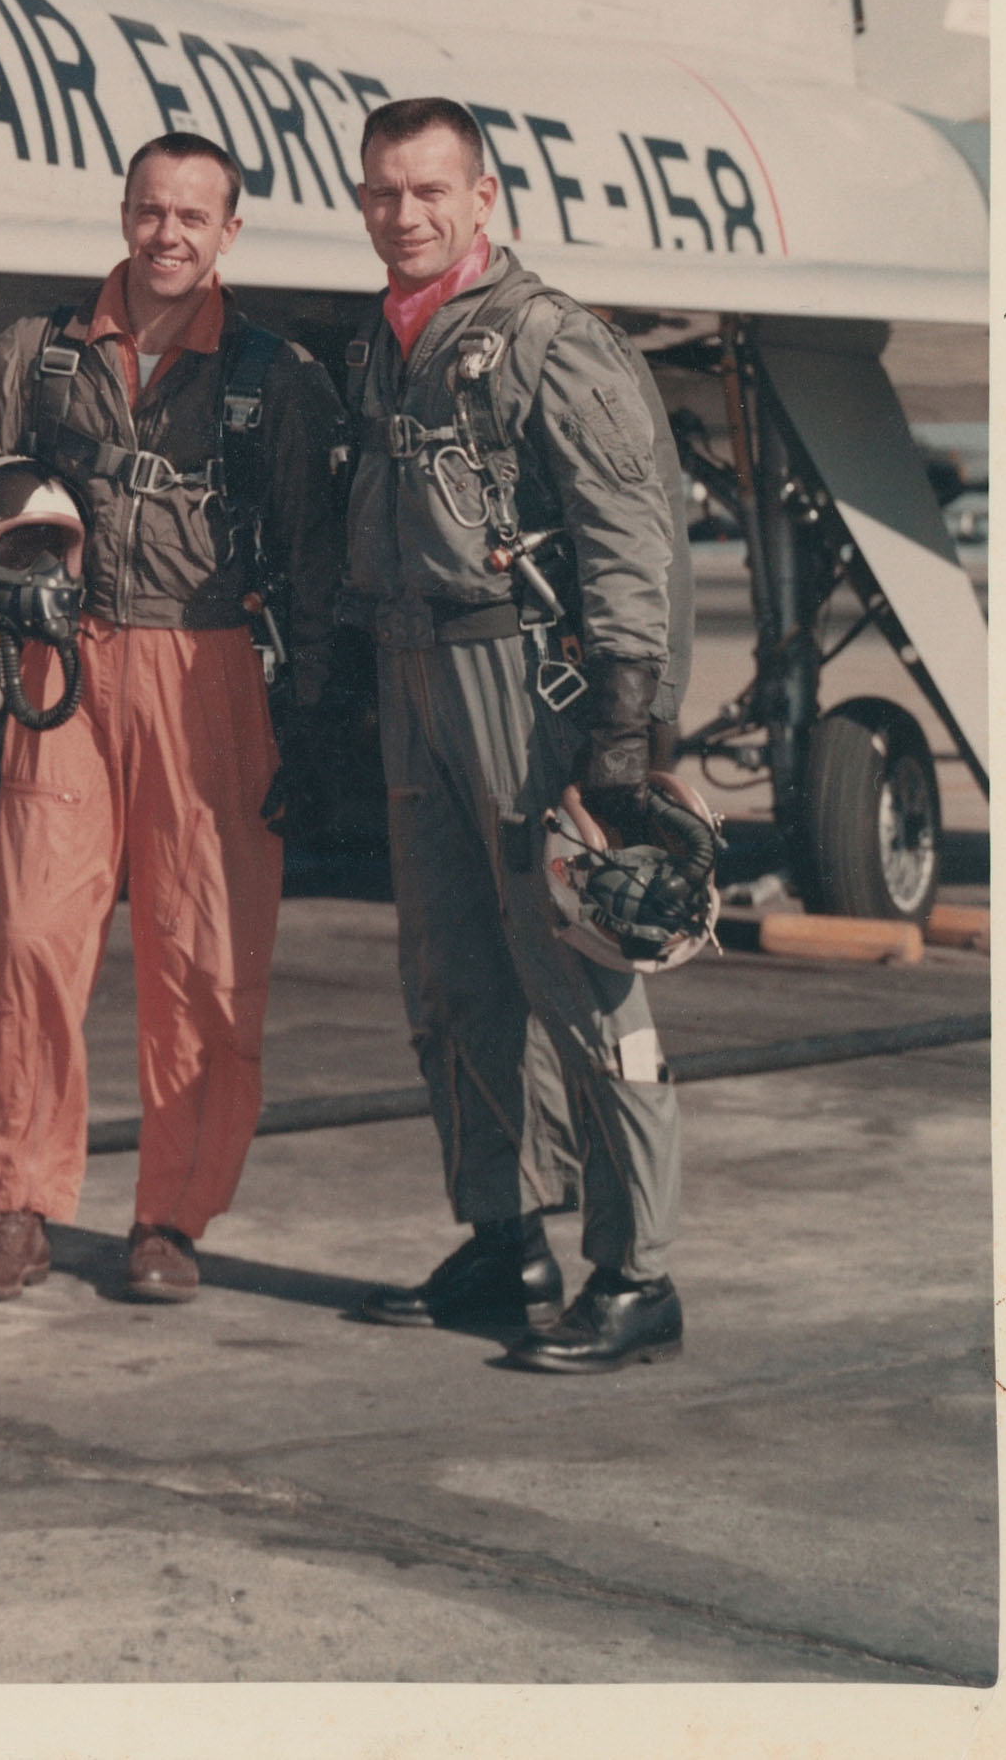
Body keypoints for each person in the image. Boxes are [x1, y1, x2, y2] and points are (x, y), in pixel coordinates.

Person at [0, 133, 345, 1307]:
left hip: (216, 678)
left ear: (228, 232)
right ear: (123, 214)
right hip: (65, 667)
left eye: (194, 217)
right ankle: (18, 1207)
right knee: (38, 942)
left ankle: (170, 1220)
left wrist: (313, 729)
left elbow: (317, 564)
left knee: (202, 966)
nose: (167, 235)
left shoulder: (271, 378)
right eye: (150, 210)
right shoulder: (40, 358)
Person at [342, 97, 694, 1372]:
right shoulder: (383, 343)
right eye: (382, 192)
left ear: (482, 197)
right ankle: (504, 1236)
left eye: (429, 191)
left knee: (581, 976)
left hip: (523, 687)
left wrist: (620, 734)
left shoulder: (552, 342)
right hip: (411, 675)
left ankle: (634, 1271)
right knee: (450, 980)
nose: (404, 215)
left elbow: (625, 539)